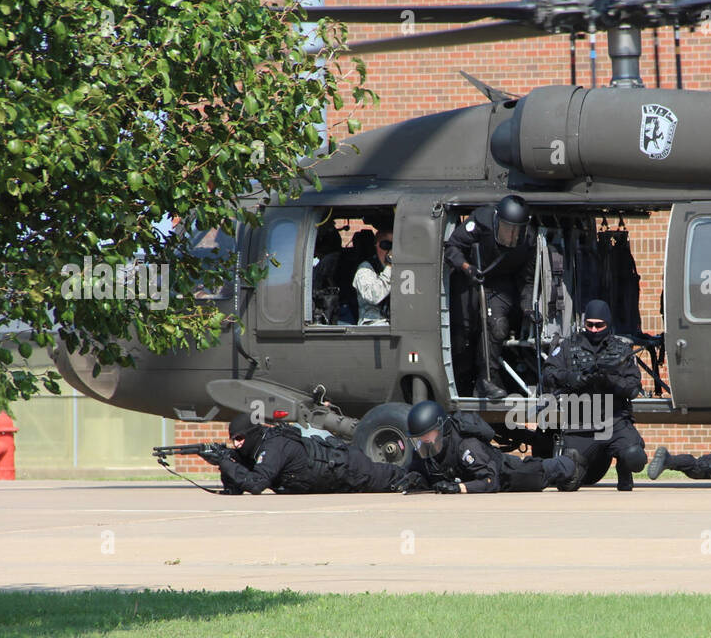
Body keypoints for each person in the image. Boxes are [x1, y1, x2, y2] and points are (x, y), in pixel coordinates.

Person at [542, 298, 646, 491]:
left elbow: (633, 388)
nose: (594, 330)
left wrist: (611, 381)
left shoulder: (621, 349)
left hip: (614, 421)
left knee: (635, 456)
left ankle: (624, 469)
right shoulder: (568, 347)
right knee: (567, 483)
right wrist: (574, 378)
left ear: (608, 323)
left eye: (600, 325)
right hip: (580, 423)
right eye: (590, 325)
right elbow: (548, 375)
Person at [444, 195, 536, 399]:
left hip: (500, 282)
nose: (510, 236)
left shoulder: (529, 240)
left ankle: (488, 380)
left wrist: (528, 307)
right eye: (506, 229)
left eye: (516, 231)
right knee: (463, 335)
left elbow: (527, 279)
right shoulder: (481, 220)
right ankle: (460, 384)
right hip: (469, 277)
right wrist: (467, 268)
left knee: (498, 326)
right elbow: (452, 248)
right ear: (496, 220)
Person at [201, 412, 422, 495]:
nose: (237, 444)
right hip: (332, 480)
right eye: (233, 441)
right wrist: (224, 462)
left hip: (344, 468)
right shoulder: (257, 449)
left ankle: (432, 476)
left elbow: (256, 484)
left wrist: (225, 461)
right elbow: (238, 487)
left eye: (240, 439)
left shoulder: (273, 447)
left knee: (398, 479)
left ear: (251, 435)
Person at [406, 400, 585, 493]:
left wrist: (458, 489)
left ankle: (570, 463)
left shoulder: (467, 446)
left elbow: (490, 481)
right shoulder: (428, 451)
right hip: (476, 476)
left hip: (504, 473)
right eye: (420, 439)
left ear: (442, 430)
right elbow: (418, 472)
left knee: (540, 473)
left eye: (428, 437)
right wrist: (413, 479)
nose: (425, 442)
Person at [352, 228, 392, 326]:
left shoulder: (405, 270)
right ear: (376, 246)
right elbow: (374, 296)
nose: (391, 251)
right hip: (374, 325)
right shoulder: (365, 269)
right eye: (386, 245)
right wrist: (390, 267)